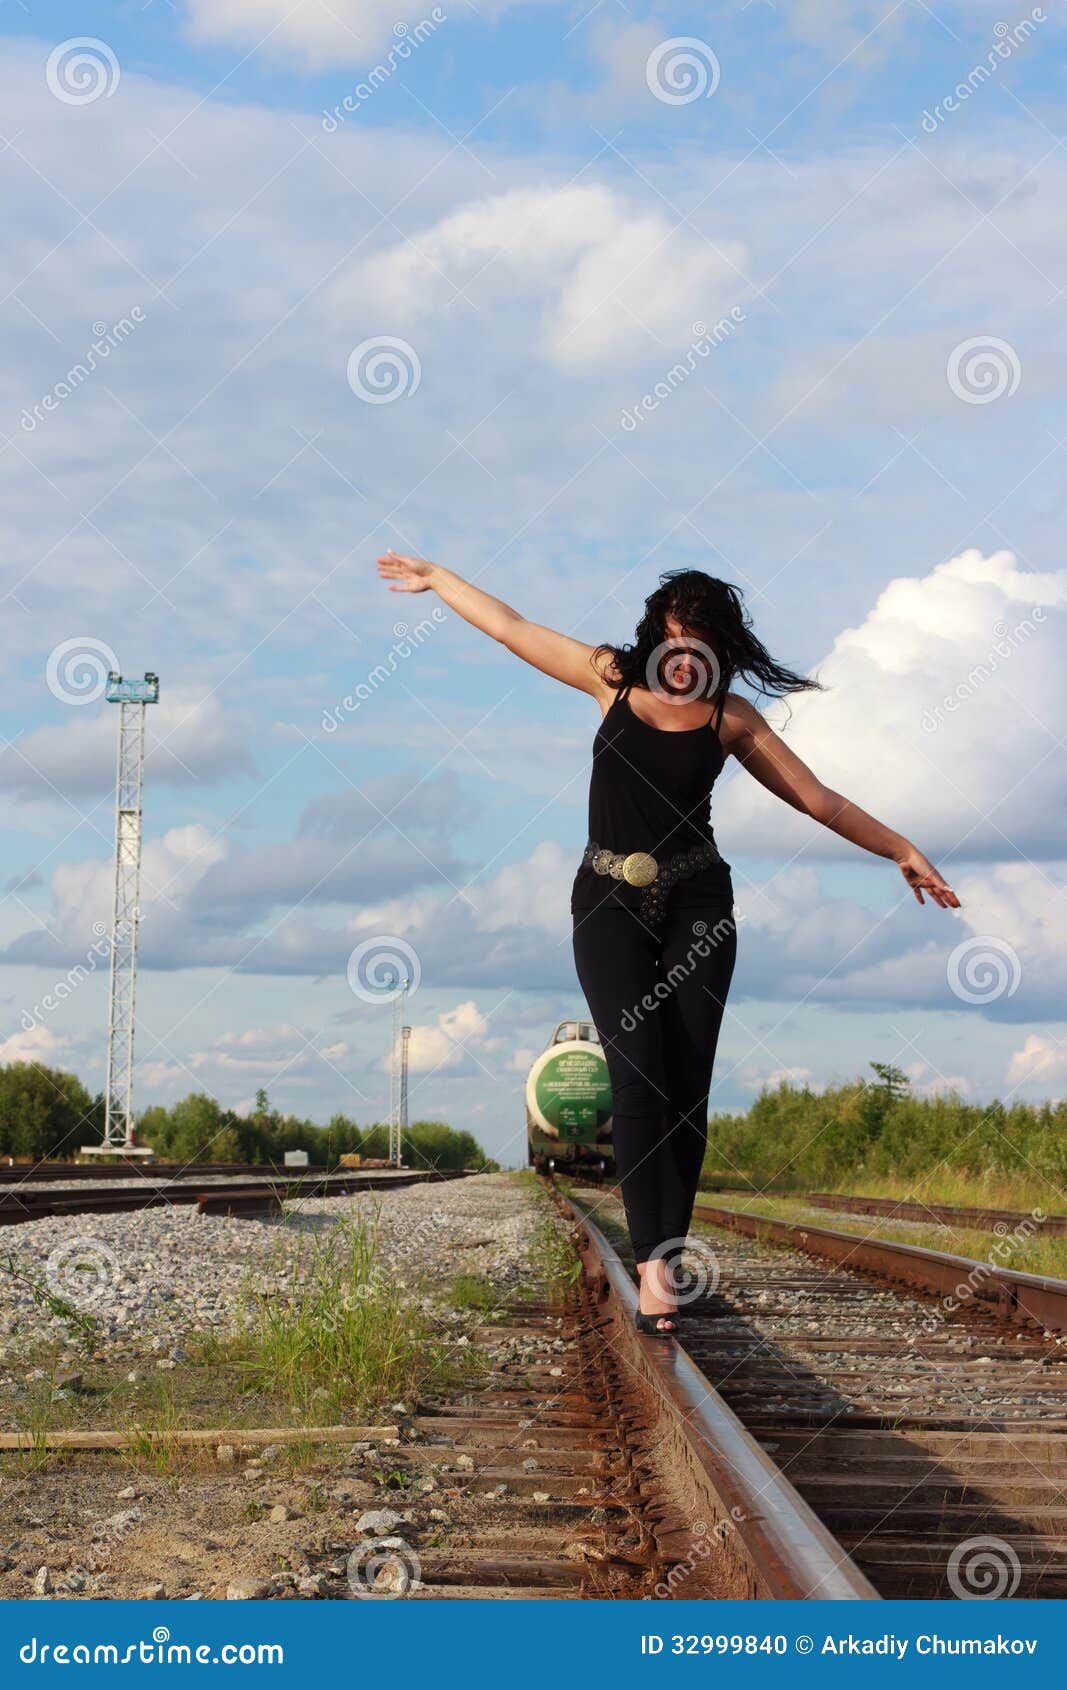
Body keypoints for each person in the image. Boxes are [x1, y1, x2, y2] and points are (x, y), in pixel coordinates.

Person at [376, 554, 959, 1335]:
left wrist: (899, 848)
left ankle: (668, 1252)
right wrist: (440, 581)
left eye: (700, 643)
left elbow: (817, 799)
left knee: (685, 1087)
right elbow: (512, 627)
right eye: (674, 638)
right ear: (655, 636)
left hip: (697, 903)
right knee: (638, 1069)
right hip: (607, 900)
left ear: (719, 647)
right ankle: (653, 1263)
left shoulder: (731, 719)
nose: (684, 656)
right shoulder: (609, 679)